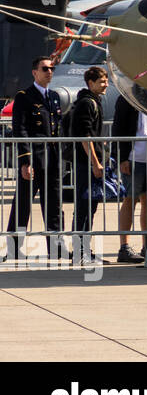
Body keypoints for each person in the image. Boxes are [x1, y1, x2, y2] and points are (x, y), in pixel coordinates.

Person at [4, 56, 68, 261]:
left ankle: (56, 247)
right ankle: (14, 248)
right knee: (23, 204)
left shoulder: (55, 96)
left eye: (52, 68)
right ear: (35, 72)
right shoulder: (24, 96)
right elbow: (19, 129)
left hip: (53, 158)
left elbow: (57, 127)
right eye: (45, 68)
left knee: (54, 204)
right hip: (34, 157)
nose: (49, 72)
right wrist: (25, 160)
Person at [110, 95, 147, 264]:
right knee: (130, 199)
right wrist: (121, 157)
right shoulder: (127, 97)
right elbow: (118, 128)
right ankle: (124, 247)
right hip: (134, 158)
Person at [69, 66, 109, 265]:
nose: (106, 84)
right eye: (102, 81)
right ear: (90, 83)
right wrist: (95, 162)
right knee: (84, 207)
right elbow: (85, 136)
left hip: (90, 163)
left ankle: (84, 249)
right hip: (86, 164)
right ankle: (80, 252)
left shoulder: (94, 101)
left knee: (89, 207)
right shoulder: (86, 103)